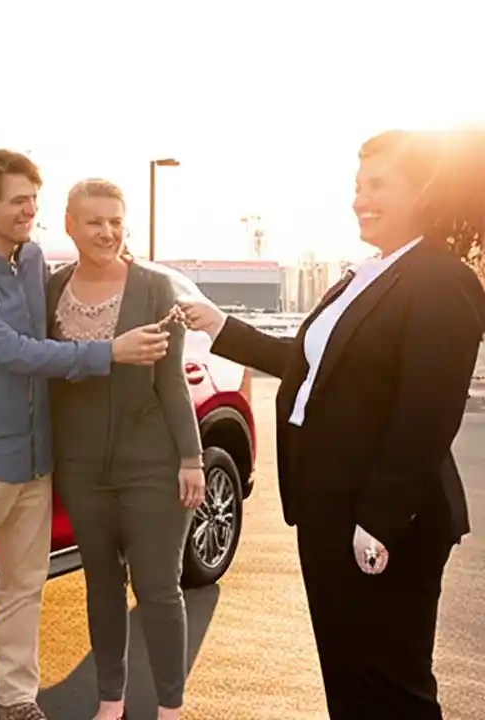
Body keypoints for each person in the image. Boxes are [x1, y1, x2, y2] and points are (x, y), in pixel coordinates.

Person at [178, 129, 485, 719]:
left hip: (385, 520)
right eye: (356, 186)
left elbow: (427, 411)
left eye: (378, 185)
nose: (360, 198)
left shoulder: (440, 280)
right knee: (347, 676)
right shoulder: (367, 275)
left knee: (393, 686)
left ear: (423, 190)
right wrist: (223, 328)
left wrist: (380, 519)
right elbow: (310, 363)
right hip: (328, 510)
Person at [0, 149, 173, 720]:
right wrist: (109, 352)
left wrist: (118, 265)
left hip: (34, 458)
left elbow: (69, 294)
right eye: (17, 201)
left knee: (24, 587)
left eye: (34, 199)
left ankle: (16, 701)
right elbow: (16, 351)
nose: (28, 211)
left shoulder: (32, 259)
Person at [44, 179, 205, 720]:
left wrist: (191, 458)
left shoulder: (155, 289)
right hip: (80, 467)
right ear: (70, 224)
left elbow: (172, 381)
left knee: (158, 589)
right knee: (102, 585)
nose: (107, 231)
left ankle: (169, 708)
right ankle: (109, 702)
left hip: (151, 465)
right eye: (94, 221)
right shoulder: (50, 290)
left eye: (115, 220)